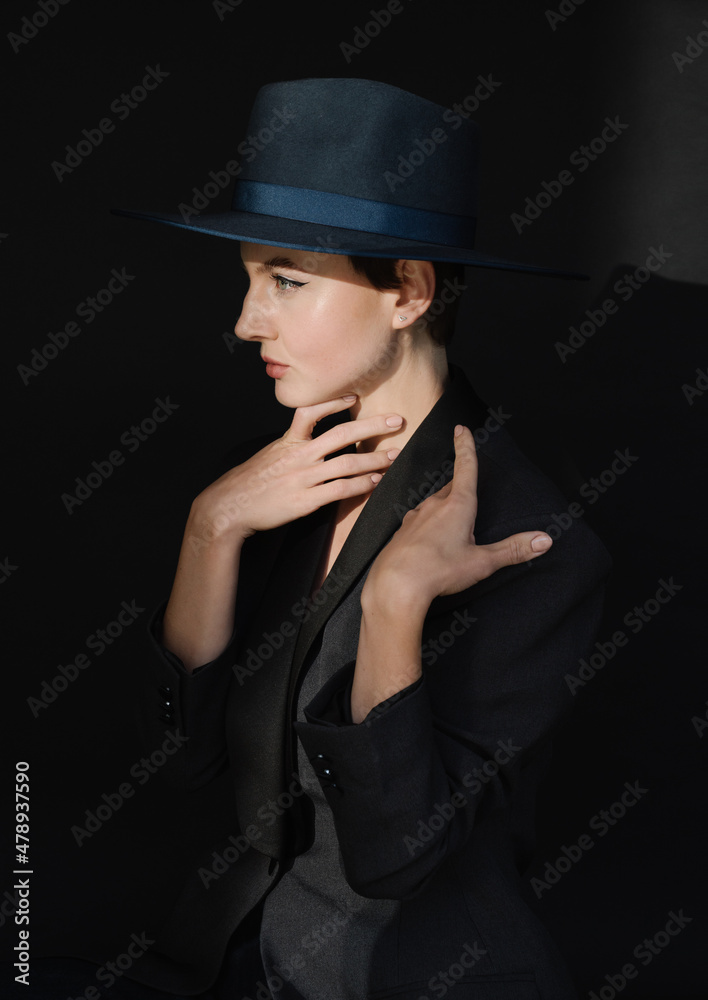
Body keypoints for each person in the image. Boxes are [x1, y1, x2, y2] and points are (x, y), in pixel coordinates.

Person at [109, 77, 610, 1000]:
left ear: (409, 292)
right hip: (221, 961)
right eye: (250, 281)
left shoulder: (531, 542)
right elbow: (174, 766)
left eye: (287, 282)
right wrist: (210, 527)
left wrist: (392, 607)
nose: (245, 322)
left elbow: (396, 858)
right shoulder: (263, 481)